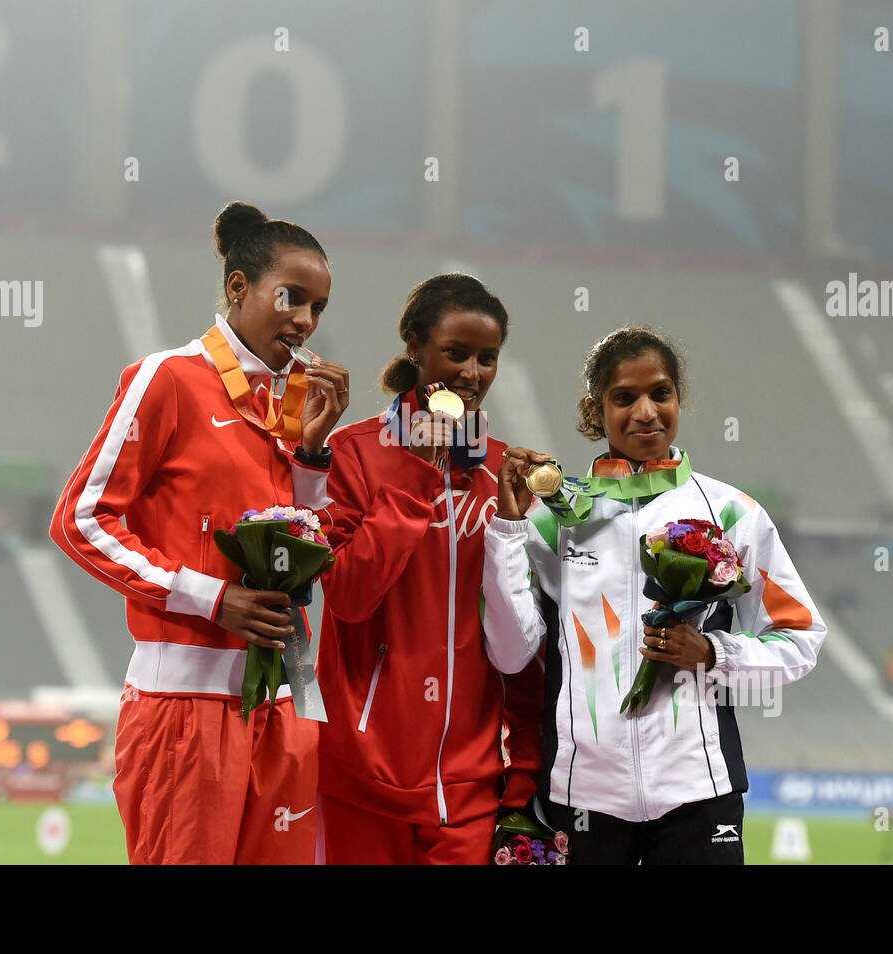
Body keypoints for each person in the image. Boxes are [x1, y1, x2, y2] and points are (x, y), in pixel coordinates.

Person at [49, 202, 350, 864]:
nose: (305, 320)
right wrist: (212, 600)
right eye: (291, 297)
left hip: (287, 700)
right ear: (238, 288)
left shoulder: (294, 400)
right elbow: (78, 518)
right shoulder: (170, 379)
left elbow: (302, 545)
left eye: (318, 308)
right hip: (185, 705)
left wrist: (314, 455)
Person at [482, 325, 826, 864]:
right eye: (625, 398)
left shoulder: (731, 513)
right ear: (595, 411)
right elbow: (509, 652)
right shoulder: (552, 521)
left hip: (698, 790)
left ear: (678, 399)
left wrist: (714, 653)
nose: (646, 412)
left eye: (660, 394)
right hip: (582, 794)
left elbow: (800, 638)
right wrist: (506, 525)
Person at [315, 273, 543, 864]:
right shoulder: (352, 455)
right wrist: (417, 476)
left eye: (487, 358)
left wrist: (521, 770)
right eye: (455, 353)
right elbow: (348, 596)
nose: (472, 374)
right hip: (364, 777)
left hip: (469, 784)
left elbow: (519, 639)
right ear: (414, 346)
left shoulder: (503, 472)